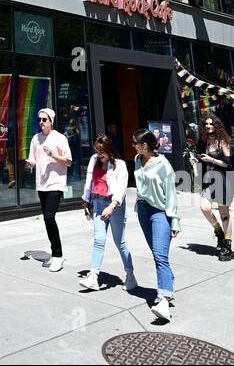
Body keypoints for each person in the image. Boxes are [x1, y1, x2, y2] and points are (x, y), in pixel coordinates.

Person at [133, 129, 180, 321]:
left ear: (145, 145)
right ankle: (169, 283)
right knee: (157, 253)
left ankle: (163, 300)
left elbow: (171, 195)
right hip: (143, 211)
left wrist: (174, 221)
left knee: (160, 256)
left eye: (135, 142)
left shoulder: (163, 165)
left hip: (160, 213)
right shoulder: (137, 160)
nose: (133, 146)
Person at [79, 135, 135, 292]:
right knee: (99, 240)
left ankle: (130, 275)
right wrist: (87, 202)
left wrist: (112, 206)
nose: (99, 155)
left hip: (114, 205)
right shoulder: (94, 160)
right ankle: (93, 276)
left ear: (110, 150)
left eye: (102, 152)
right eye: (97, 151)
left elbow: (122, 188)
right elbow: (89, 182)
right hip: (98, 202)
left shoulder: (120, 165)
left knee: (120, 242)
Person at [24, 107, 72, 272]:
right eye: (40, 120)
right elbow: (33, 158)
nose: (41, 123)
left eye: (45, 120)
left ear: (51, 121)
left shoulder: (60, 138)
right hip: (41, 184)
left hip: (55, 183)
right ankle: (55, 253)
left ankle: (58, 256)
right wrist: (30, 164)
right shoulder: (35, 139)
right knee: (46, 219)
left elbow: (68, 161)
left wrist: (53, 155)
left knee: (49, 217)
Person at [195, 113, 234, 261]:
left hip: (223, 179)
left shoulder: (222, 141)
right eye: (206, 124)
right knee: (205, 208)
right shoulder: (201, 142)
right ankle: (218, 231)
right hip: (208, 179)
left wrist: (211, 159)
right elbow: (201, 160)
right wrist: (196, 161)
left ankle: (228, 245)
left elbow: (228, 163)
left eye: (211, 124)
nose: (208, 126)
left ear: (216, 125)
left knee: (224, 213)